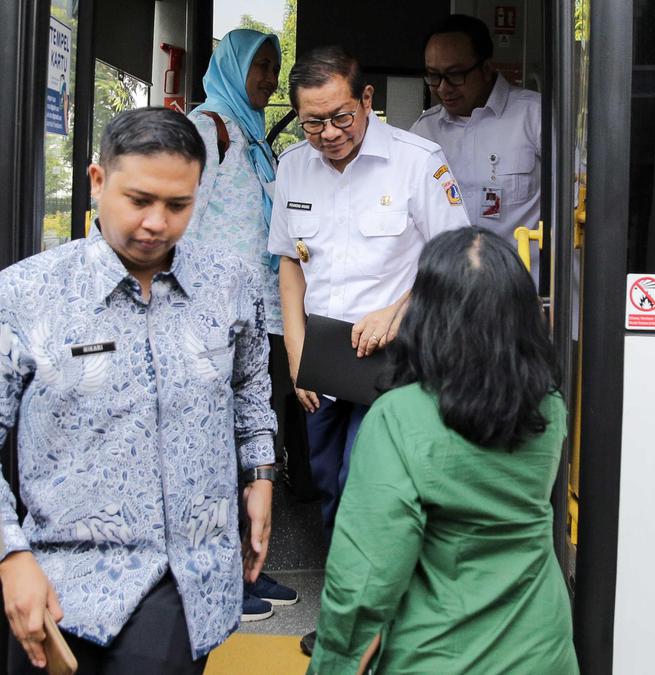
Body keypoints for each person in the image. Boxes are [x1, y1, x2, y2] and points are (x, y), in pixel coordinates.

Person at [0, 107, 277, 673]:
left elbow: (250, 387)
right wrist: (11, 555)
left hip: (187, 578)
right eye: (140, 200)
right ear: (98, 182)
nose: (157, 222)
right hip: (57, 577)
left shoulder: (230, 284)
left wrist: (261, 475)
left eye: (179, 205)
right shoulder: (26, 294)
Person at [267, 45, 470, 655]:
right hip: (325, 358)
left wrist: (397, 310)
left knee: (375, 486)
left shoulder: (417, 162)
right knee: (330, 485)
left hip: (400, 358)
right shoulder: (292, 168)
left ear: (367, 102)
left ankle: (379, 622)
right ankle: (351, 608)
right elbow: (289, 266)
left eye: (340, 118)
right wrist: (299, 355)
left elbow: (457, 259)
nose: (327, 134)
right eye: (312, 122)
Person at [307, 227, 578, 673]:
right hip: (544, 648)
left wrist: (332, 665)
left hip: (441, 654)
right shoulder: (547, 405)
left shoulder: (399, 416)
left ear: (426, 314)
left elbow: (365, 581)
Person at [187, 27, 299, 624]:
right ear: (231, 68)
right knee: (216, 444)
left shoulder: (255, 139)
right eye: (260, 66)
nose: (270, 79)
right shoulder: (210, 130)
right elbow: (182, 217)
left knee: (254, 439)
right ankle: (221, 575)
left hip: (261, 313)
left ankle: (248, 563)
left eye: (275, 67)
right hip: (212, 316)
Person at [410, 14, 543, 284]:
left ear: (486, 68)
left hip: (521, 291)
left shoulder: (536, 116)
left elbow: (580, 200)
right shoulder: (424, 133)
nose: (443, 88)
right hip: (449, 293)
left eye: (455, 74)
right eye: (434, 76)